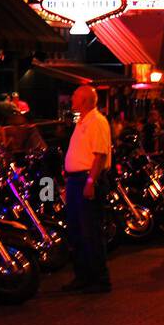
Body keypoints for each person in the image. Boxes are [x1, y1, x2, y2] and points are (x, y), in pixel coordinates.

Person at [62, 85, 112, 294]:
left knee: (90, 230)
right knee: (76, 230)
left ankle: (99, 279)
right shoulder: (82, 121)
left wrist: (91, 182)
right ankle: (83, 276)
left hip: (86, 180)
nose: (71, 98)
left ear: (84, 101)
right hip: (76, 180)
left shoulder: (96, 121)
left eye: (74, 96)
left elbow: (99, 155)